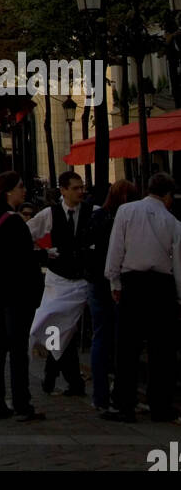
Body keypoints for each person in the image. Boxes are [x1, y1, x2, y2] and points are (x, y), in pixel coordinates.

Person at [103, 172, 181, 424]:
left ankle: (125, 405)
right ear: (167, 195)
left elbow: (116, 248)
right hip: (162, 286)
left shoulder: (126, 212)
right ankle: (161, 405)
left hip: (133, 283)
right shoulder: (173, 222)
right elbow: (178, 264)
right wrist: (178, 295)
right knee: (162, 350)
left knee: (127, 347)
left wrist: (114, 280)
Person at [0, 171, 46, 422]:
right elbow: (25, 262)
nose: (24, 191)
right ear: (9, 191)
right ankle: (22, 402)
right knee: (18, 349)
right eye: (20, 187)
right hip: (16, 295)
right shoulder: (14, 222)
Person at [27, 170, 90, 397]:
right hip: (58, 280)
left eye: (81, 187)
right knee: (56, 328)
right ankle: (63, 378)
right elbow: (27, 234)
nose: (80, 192)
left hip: (81, 280)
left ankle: (58, 376)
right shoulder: (50, 214)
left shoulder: (92, 212)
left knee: (66, 330)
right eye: (75, 188)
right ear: (63, 190)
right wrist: (43, 253)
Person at [85, 179, 137, 413]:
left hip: (97, 281)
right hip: (115, 283)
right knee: (120, 339)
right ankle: (117, 394)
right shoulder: (125, 220)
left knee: (101, 338)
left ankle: (101, 395)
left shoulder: (97, 217)